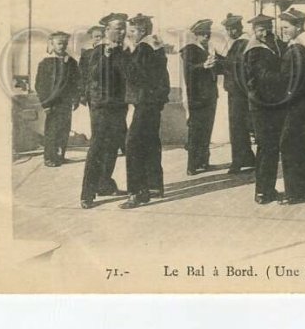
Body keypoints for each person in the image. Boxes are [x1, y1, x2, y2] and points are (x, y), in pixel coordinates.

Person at [120, 14, 170, 208]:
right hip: (154, 102)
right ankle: (155, 186)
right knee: (151, 142)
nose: (129, 35)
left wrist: (125, 54)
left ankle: (137, 192)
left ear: (142, 31)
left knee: (133, 144)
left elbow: (134, 74)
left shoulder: (143, 48)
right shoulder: (156, 45)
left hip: (144, 101)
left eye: (132, 31)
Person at [80, 13, 129, 208]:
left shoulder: (123, 51)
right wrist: (106, 57)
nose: (122, 31)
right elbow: (92, 75)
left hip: (119, 105)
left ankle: (104, 184)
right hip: (101, 106)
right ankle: (87, 193)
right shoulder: (98, 51)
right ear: (107, 30)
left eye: (124, 28)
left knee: (112, 146)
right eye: (118, 28)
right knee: (98, 147)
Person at [278, 8, 305, 204]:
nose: (283, 31)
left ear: (298, 26)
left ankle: (296, 193)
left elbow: (294, 81)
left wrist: (284, 99)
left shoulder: (297, 49)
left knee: (290, 145)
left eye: (286, 27)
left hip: (295, 105)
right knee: (303, 145)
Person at [243, 14, 288, 204]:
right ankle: (262, 191)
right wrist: (287, 76)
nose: (265, 33)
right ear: (254, 31)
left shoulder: (271, 45)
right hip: (262, 106)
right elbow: (264, 76)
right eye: (261, 30)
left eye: (268, 29)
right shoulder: (255, 51)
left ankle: (266, 189)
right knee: (267, 148)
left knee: (270, 148)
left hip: (269, 105)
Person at [217, 13, 256, 174]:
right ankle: (247, 158)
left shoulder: (242, 43)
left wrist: (219, 61)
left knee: (237, 127)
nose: (229, 32)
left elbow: (236, 65)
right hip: (237, 91)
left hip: (239, 92)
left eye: (231, 29)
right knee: (240, 126)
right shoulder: (239, 43)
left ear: (239, 28)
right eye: (227, 29)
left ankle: (238, 161)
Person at [35, 31, 80, 168]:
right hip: (52, 103)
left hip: (65, 102)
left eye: (65, 44)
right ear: (52, 44)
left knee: (64, 129)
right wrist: (45, 103)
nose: (62, 46)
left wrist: (76, 98)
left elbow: (76, 82)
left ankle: (60, 156)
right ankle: (49, 157)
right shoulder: (46, 63)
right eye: (59, 43)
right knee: (52, 131)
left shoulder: (71, 62)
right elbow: (40, 85)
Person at [180, 19, 218, 175]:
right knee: (196, 131)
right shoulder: (190, 49)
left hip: (209, 95)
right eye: (203, 34)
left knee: (207, 129)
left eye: (208, 33)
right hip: (197, 97)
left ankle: (203, 161)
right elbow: (188, 69)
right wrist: (203, 66)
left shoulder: (208, 49)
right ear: (196, 35)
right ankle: (192, 165)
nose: (206, 36)